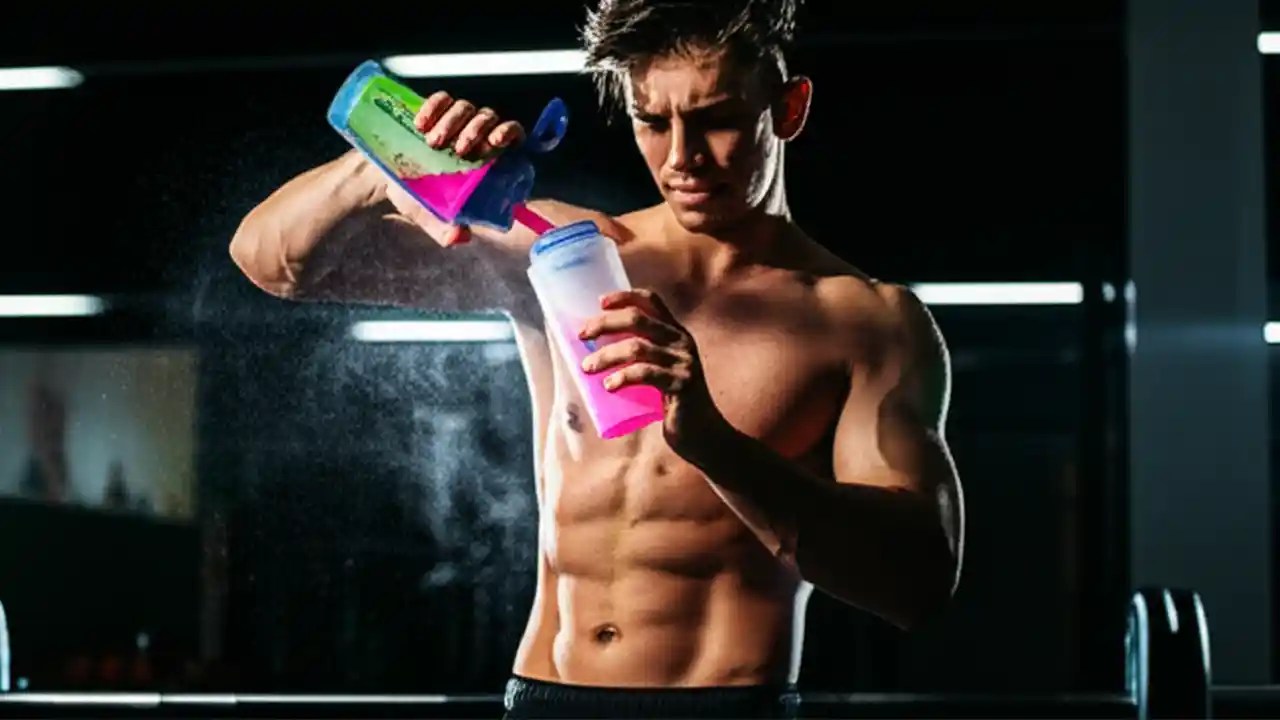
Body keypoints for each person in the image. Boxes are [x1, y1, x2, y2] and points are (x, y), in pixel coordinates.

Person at [229, 0, 964, 716]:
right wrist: (383, 169)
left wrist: (712, 442)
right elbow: (272, 262)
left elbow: (918, 583)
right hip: (546, 693)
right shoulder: (563, 255)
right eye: (653, 121)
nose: (682, 158)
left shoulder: (866, 322)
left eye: (717, 120)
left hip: (722, 703)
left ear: (789, 109)